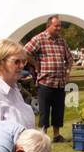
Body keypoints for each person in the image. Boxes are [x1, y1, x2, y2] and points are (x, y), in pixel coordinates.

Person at [25, 15, 73, 143]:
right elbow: (25, 51)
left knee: (58, 110)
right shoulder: (39, 39)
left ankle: (57, 135)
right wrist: (35, 64)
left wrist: (67, 72)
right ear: (48, 26)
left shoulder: (62, 41)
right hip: (45, 82)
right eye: (56, 25)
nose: (59, 28)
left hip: (60, 83)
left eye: (59, 25)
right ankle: (43, 137)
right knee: (44, 112)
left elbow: (70, 59)